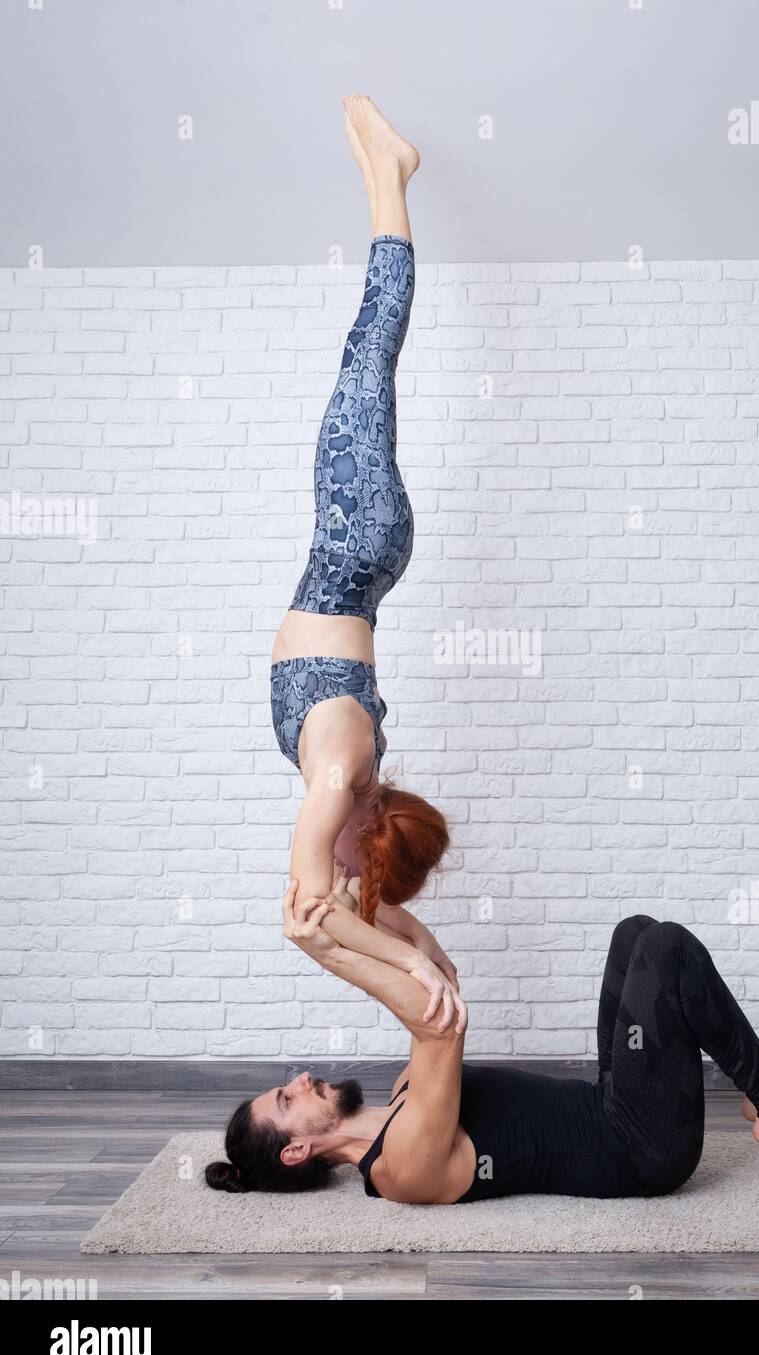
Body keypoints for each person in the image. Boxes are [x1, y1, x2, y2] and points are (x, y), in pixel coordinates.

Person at [205, 887, 759, 1199]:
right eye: (285, 1100)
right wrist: (323, 949)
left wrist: (359, 905)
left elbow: (436, 983)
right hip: (643, 1151)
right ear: (296, 1150)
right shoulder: (398, 1167)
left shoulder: (404, 1099)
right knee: (665, 950)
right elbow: (440, 1023)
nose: (297, 1080)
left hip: (610, 1102)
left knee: (634, 932)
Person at [270, 95, 459, 1017]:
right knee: (369, 352)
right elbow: (313, 904)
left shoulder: (357, 783)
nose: (350, 881)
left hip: (368, 552)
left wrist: (425, 955)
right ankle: (392, 174)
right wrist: (412, 972)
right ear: (366, 838)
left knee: (367, 360)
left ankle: (384, 180)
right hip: (353, 534)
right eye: (361, 871)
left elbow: (346, 909)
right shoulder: (342, 777)